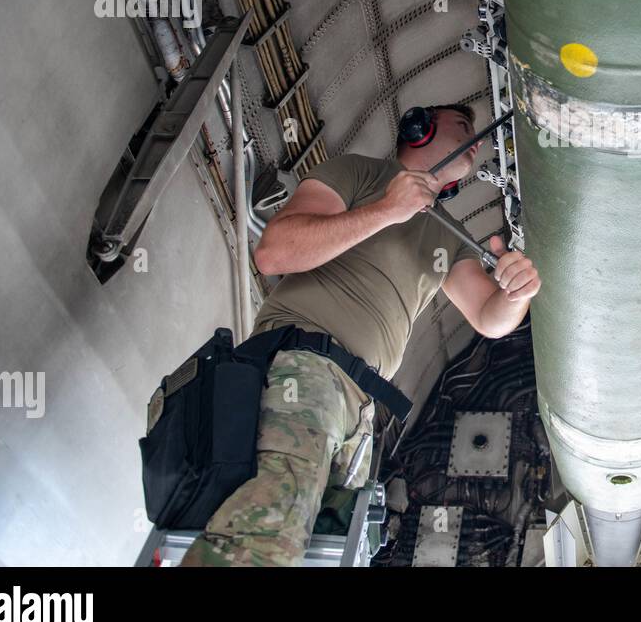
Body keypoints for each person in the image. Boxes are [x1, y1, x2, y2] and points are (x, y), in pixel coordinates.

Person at [181, 103, 540, 566]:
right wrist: (387, 210)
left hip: (357, 409)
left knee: (315, 549)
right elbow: (275, 252)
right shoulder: (359, 174)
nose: (476, 134)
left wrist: (515, 292)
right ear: (419, 129)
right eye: (462, 124)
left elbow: (489, 318)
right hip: (305, 366)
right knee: (266, 535)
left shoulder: (449, 235)